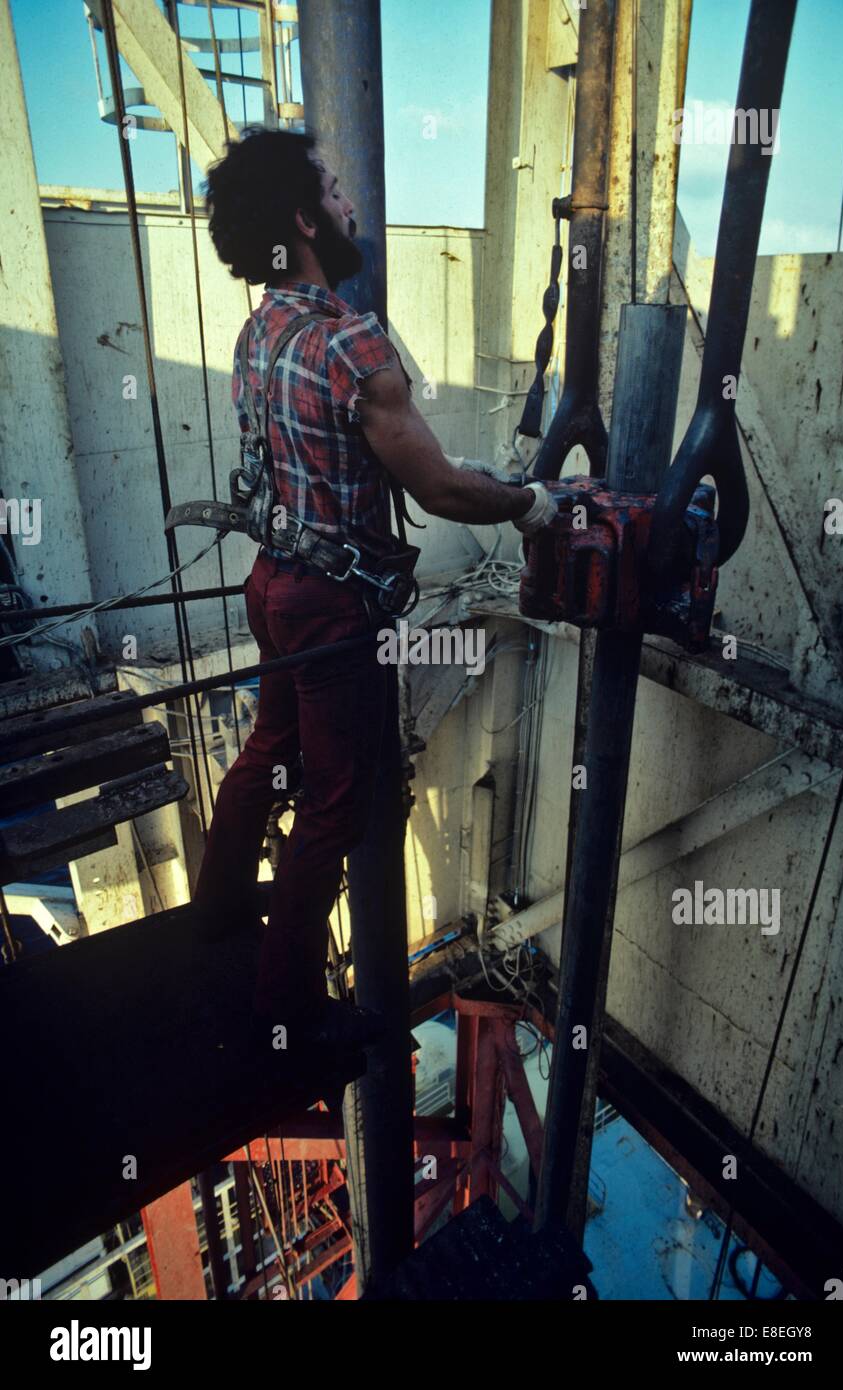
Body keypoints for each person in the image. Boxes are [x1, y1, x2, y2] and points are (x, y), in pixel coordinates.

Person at [194, 127, 557, 1048]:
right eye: (334, 188)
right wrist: (533, 505)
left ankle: (221, 909)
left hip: (269, 584)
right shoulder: (353, 343)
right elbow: (434, 486)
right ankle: (286, 1002)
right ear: (307, 218)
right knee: (337, 799)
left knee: (268, 746)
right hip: (330, 609)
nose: (351, 204)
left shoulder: (257, 331)